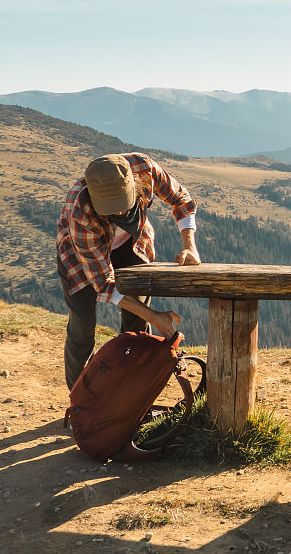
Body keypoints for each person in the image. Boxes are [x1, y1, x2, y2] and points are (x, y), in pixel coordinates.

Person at [57, 153, 201, 389]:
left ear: (135, 183)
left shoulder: (144, 167)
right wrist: (154, 315)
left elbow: (182, 200)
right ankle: (80, 400)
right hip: (81, 255)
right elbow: (105, 284)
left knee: (137, 320)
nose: (120, 213)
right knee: (82, 327)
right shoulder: (79, 211)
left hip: (132, 244)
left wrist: (189, 247)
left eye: (122, 204)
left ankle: (130, 391)